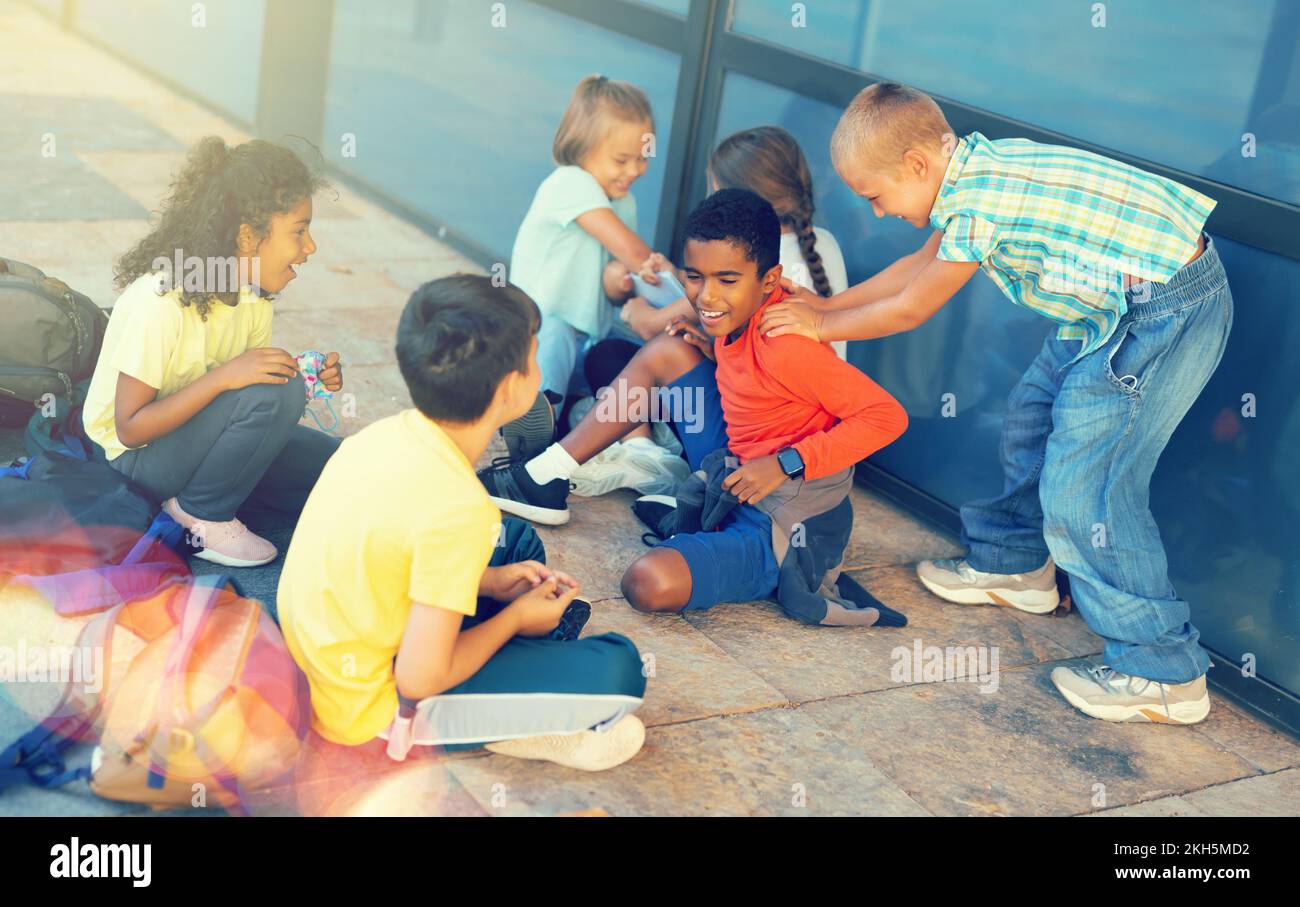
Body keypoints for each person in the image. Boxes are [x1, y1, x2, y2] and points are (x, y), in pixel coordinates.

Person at [762, 82, 1230, 724]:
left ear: (916, 166)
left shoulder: (978, 201)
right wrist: (824, 305)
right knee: (1034, 416)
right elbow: (913, 270)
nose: (874, 213)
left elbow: (913, 305)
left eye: (875, 196)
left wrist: (819, 329)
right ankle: (1016, 568)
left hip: (1161, 312)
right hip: (1114, 307)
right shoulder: (972, 170)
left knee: (1088, 492)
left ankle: (1163, 672)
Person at [277, 275, 646, 770]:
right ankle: (505, 717)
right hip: (365, 710)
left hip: (324, 652)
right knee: (622, 670)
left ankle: (514, 664)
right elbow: (418, 680)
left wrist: (490, 583)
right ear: (511, 387)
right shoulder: (459, 505)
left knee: (513, 541)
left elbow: (396, 553)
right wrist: (514, 617)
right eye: (536, 356)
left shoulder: (380, 436)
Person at [622, 189, 908, 624]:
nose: (706, 296)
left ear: (769, 280)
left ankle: (757, 561)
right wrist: (715, 351)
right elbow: (765, 387)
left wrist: (784, 464)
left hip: (786, 515)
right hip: (739, 474)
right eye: (694, 277)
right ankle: (551, 470)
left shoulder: (787, 343)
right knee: (667, 350)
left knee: (648, 581)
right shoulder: (730, 320)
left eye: (727, 280)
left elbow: (887, 417)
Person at [82, 136, 341, 567]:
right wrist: (227, 378)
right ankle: (202, 514)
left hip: (193, 443)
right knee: (277, 392)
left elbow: (245, 397)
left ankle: (208, 491)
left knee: (336, 465)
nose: (310, 246)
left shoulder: (253, 298)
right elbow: (130, 428)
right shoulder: (160, 302)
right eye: (299, 231)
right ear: (246, 237)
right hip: (132, 462)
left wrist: (308, 375)